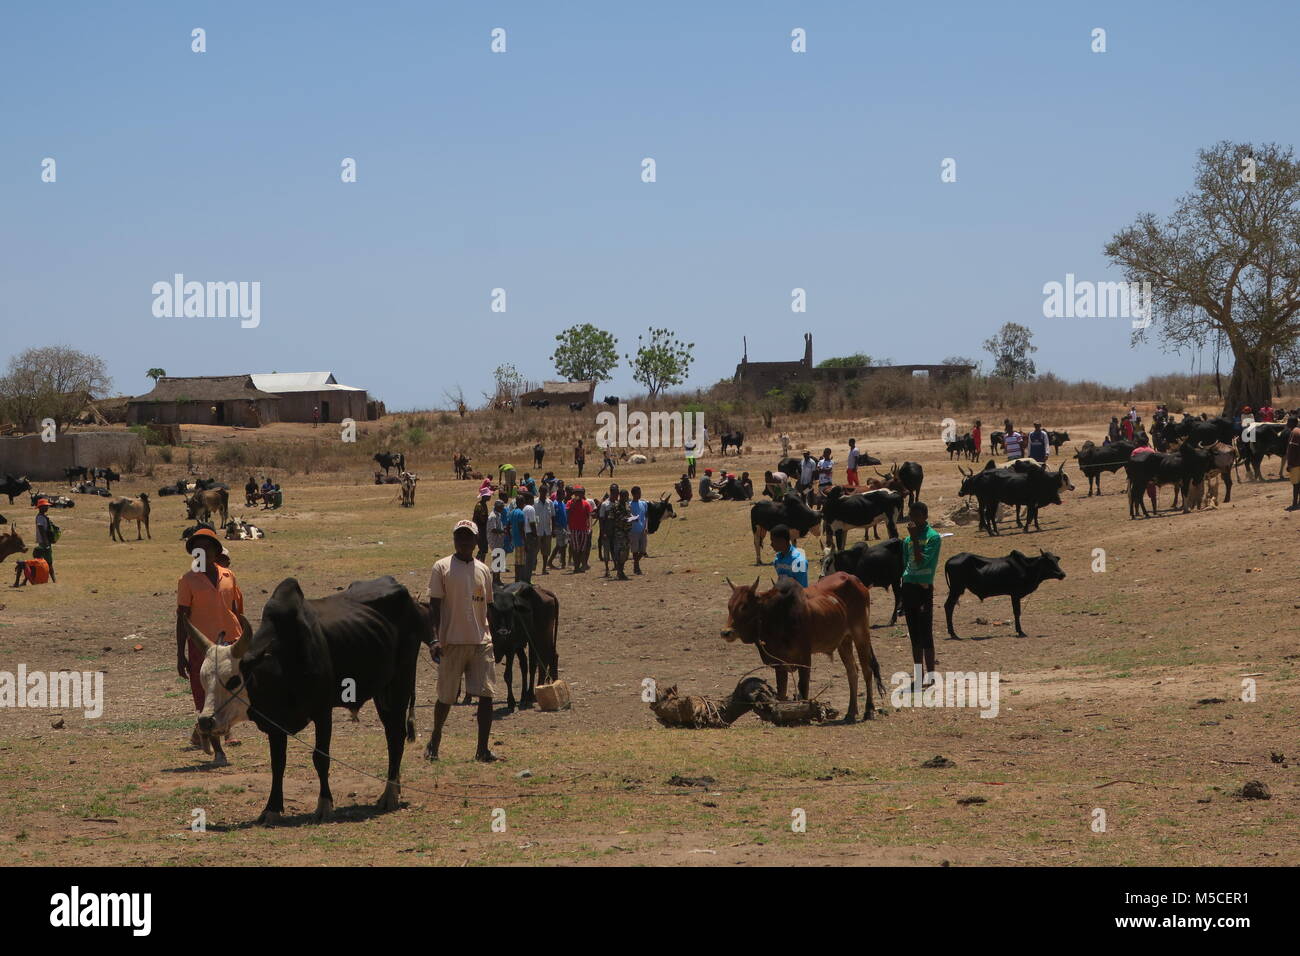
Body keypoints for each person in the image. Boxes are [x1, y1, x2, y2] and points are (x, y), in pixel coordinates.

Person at [425, 520, 501, 763]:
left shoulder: (484, 570)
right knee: (446, 697)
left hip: (481, 641)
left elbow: (488, 606)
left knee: (487, 695)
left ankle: (482, 749)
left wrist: (493, 636)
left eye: (468, 537)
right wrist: (435, 639)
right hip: (452, 642)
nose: (464, 541)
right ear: (454, 540)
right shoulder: (441, 567)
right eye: (459, 537)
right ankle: (435, 738)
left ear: (476, 541)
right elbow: (434, 607)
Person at [176, 528, 245, 749]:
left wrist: (245, 642)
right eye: (198, 548)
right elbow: (182, 619)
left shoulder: (228, 575)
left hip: (232, 641)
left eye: (208, 547)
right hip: (202, 646)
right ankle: (214, 739)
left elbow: (237, 610)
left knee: (230, 689)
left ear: (216, 552)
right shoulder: (187, 580)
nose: (203, 552)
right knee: (206, 691)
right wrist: (180, 654)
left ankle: (220, 730)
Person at [900, 502, 942, 689]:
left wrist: (915, 539)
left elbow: (922, 561)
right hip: (909, 587)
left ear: (925, 516)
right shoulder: (907, 541)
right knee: (914, 634)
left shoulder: (933, 537)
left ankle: (931, 676)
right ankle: (919, 675)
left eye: (916, 516)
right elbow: (906, 564)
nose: (913, 520)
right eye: (911, 516)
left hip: (924, 589)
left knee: (926, 632)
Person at [566, 486, 594, 572]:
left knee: (582, 549)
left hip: (583, 529)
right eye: (577, 493)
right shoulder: (570, 502)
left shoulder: (586, 504)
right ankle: (576, 567)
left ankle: (581, 566)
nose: (579, 495)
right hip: (574, 529)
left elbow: (589, 516)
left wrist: (590, 527)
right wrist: (573, 503)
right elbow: (568, 513)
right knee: (575, 549)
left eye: (581, 493)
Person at [609, 489, 632, 580]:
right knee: (620, 553)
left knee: (626, 553)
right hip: (619, 533)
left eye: (627, 496)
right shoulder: (615, 506)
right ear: (620, 496)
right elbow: (611, 519)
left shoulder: (627, 505)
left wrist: (633, 518)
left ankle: (621, 570)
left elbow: (629, 515)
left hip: (627, 532)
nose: (626, 498)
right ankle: (620, 572)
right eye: (624, 496)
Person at [33, 497, 57, 583]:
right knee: (48, 562)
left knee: (39, 561)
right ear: (40, 507)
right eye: (45, 506)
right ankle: (54, 580)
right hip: (44, 542)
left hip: (44, 541)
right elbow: (41, 529)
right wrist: (46, 541)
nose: (47, 507)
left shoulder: (43, 516)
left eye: (47, 506)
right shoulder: (40, 517)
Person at [628, 486, 649, 575]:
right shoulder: (629, 505)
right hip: (633, 531)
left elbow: (646, 516)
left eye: (640, 492)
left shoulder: (643, 503)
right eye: (638, 493)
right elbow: (628, 517)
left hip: (643, 530)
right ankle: (637, 568)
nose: (640, 494)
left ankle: (635, 564)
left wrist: (646, 526)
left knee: (643, 550)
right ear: (633, 494)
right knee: (635, 551)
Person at [547, 484, 569, 570]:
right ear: (559, 495)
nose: (564, 496)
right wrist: (553, 528)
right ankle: (562, 563)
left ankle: (556, 562)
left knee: (561, 545)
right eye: (563, 494)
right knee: (561, 546)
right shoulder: (555, 504)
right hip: (558, 527)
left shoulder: (562, 503)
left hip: (563, 527)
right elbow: (553, 516)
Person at [534, 484, 553, 574]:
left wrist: (553, 529)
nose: (544, 494)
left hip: (547, 530)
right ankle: (533, 568)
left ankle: (544, 568)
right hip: (537, 530)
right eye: (542, 492)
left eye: (545, 492)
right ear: (539, 492)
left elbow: (553, 516)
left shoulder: (550, 503)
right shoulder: (534, 503)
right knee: (535, 550)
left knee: (546, 551)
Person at [472, 491, 491, 563]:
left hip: (483, 528)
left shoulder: (483, 504)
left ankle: (478, 563)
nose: (490, 497)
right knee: (483, 549)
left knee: (483, 549)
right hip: (480, 529)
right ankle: (480, 563)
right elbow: (477, 518)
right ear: (484, 496)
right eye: (488, 495)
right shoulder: (479, 505)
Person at [1287, 420, 1300, 510]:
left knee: (1295, 484)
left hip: (1296, 463)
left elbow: (1292, 448)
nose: (1287, 424)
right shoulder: (1297, 431)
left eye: (1288, 423)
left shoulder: (1294, 432)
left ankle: (1295, 503)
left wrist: (1290, 463)